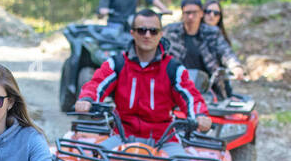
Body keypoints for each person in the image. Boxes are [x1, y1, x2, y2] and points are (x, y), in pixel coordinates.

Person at [74, 9, 212, 142]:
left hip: (163, 140)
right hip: (122, 137)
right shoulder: (116, 64)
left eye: (153, 31)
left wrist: (199, 115)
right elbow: (96, 84)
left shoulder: (174, 69)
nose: (147, 35)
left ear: (160, 34)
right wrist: (87, 99)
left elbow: (191, 97)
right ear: (132, 33)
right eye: (141, 30)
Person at [163, 0, 245, 102]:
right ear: (182, 14)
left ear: (201, 13)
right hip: (177, 88)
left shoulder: (212, 32)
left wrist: (236, 66)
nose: (191, 17)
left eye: (195, 12)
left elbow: (225, 51)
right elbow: (158, 52)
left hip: (208, 90)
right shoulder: (171, 31)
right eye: (187, 13)